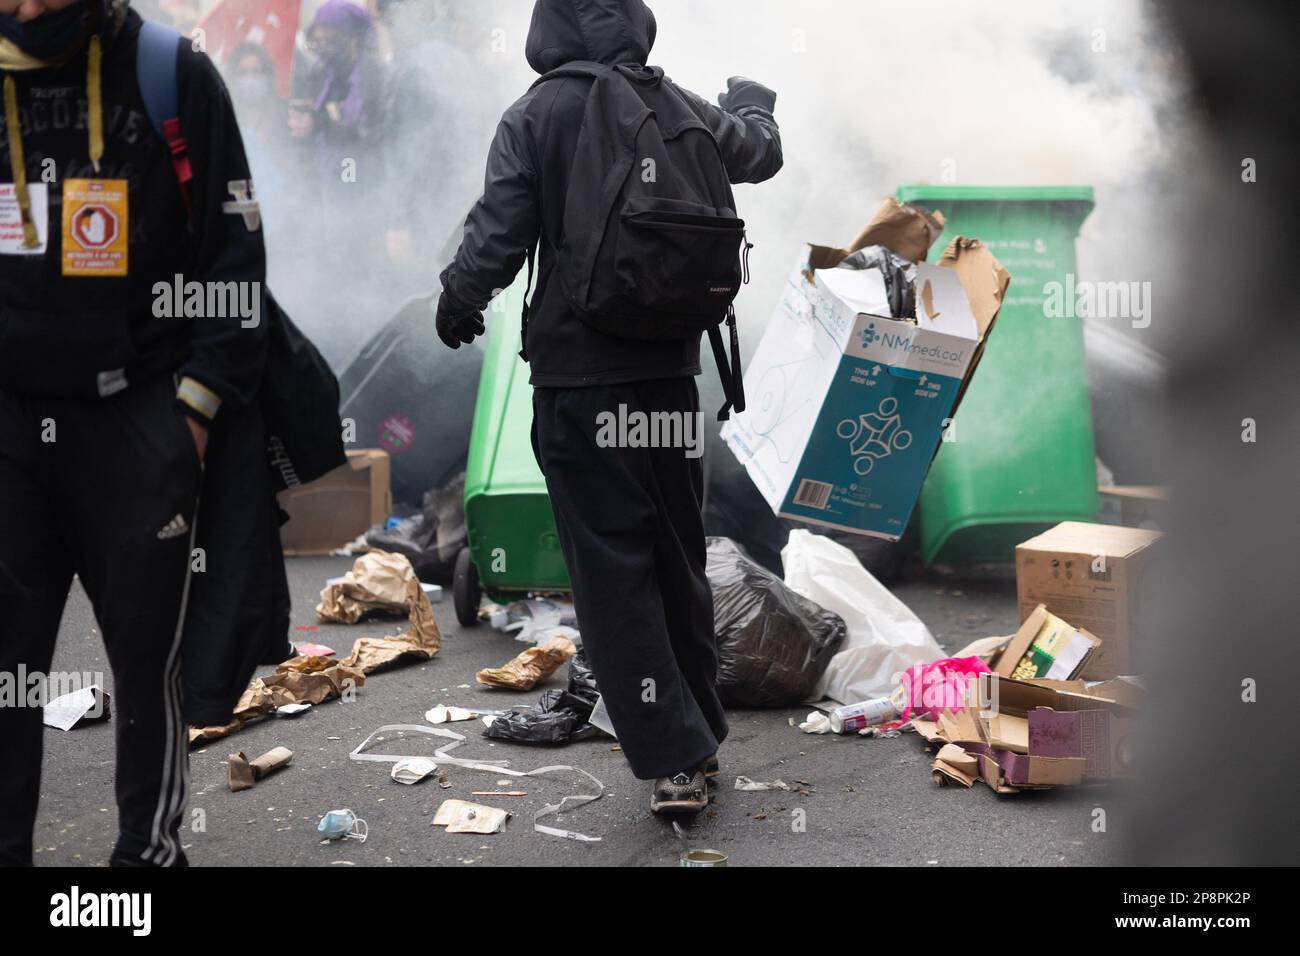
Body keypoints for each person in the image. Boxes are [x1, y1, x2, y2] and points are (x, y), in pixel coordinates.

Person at [435, 0, 782, 814]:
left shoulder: (535, 113)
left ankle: (676, 757)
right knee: (674, 558)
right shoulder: (680, 104)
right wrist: (755, 98)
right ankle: (698, 733)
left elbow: (499, 230)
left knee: (613, 573)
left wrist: (459, 300)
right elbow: (758, 154)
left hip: (579, 385)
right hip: (668, 383)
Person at [0, 0, 267, 865]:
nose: (30, 8)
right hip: (7, 433)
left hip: (137, 422)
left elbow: (236, 251)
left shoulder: (170, 72)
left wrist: (192, 410)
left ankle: (143, 866)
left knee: (148, 673)